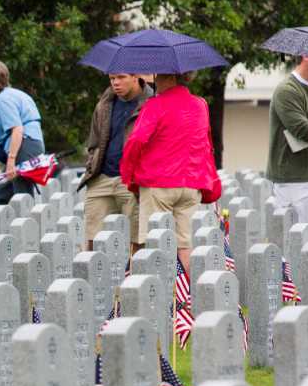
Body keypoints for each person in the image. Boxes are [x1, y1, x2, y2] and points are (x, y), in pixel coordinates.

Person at [117, 69, 218, 271]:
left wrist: (128, 174)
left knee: (155, 244)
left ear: (171, 77)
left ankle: (161, 298)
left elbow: (136, 140)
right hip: (191, 182)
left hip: (158, 183)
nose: (156, 80)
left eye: (159, 76)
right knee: (186, 244)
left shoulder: (155, 104)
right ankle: (189, 296)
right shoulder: (200, 105)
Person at [80, 72, 150, 245]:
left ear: (135, 77)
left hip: (131, 181)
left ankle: (134, 273)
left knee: (137, 241)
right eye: (112, 79)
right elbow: (94, 141)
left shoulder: (151, 103)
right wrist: (91, 164)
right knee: (92, 240)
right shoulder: (104, 103)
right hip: (101, 178)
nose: (115, 83)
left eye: (121, 77)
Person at [267, 55, 308, 227]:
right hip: (293, 179)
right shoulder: (286, 90)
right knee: (295, 241)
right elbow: (302, 129)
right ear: (305, 55)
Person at [0, 61, 44, 206]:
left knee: (22, 197)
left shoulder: (3, 99)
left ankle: (27, 226)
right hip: (33, 145)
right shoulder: (16, 94)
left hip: (23, 147)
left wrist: (11, 160)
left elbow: (17, 129)